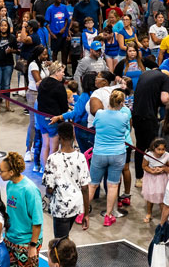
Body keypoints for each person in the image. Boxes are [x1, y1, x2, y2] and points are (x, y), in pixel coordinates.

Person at [89, 89, 132, 227]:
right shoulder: (124, 116)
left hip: (99, 153)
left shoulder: (100, 114)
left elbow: (95, 125)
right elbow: (127, 130)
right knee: (113, 185)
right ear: (121, 103)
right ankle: (108, 215)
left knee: (93, 184)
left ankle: (82, 214)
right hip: (118, 154)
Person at [44, 122, 90, 237]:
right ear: (73, 136)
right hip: (76, 205)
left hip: (61, 207)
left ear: (59, 137)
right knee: (65, 237)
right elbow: (85, 187)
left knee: (60, 243)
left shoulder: (52, 159)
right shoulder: (81, 157)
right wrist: (86, 214)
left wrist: (49, 195)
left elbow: (49, 189)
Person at [0, 151, 42, 264]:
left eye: (1, 171)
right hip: (11, 239)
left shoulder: (30, 190)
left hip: (27, 242)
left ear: (11, 172)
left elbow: (37, 221)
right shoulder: (9, 185)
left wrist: (33, 246)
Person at [37, 62, 70, 172]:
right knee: (54, 148)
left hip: (41, 117)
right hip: (52, 119)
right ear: (56, 72)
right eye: (62, 72)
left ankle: (44, 169)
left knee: (45, 145)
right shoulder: (59, 86)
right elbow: (64, 106)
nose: (63, 74)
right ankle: (51, 172)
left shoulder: (43, 82)